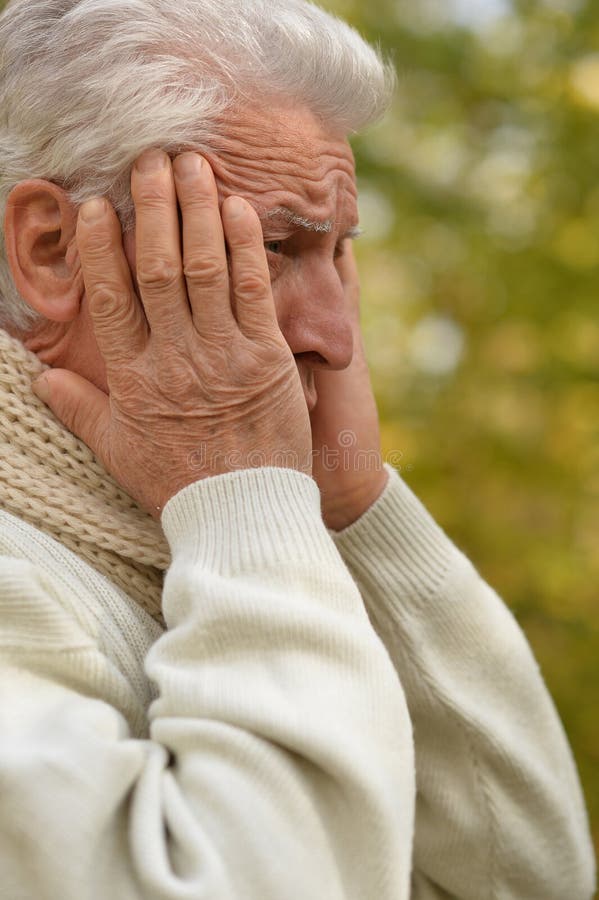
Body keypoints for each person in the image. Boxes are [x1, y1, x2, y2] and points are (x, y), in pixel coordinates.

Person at [0, 0, 594, 897]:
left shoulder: (188, 539)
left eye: (339, 255)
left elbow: (524, 877)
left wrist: (354, 517)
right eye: (275, 246)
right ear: (51, 252)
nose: (335, 335)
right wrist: (244, 498)